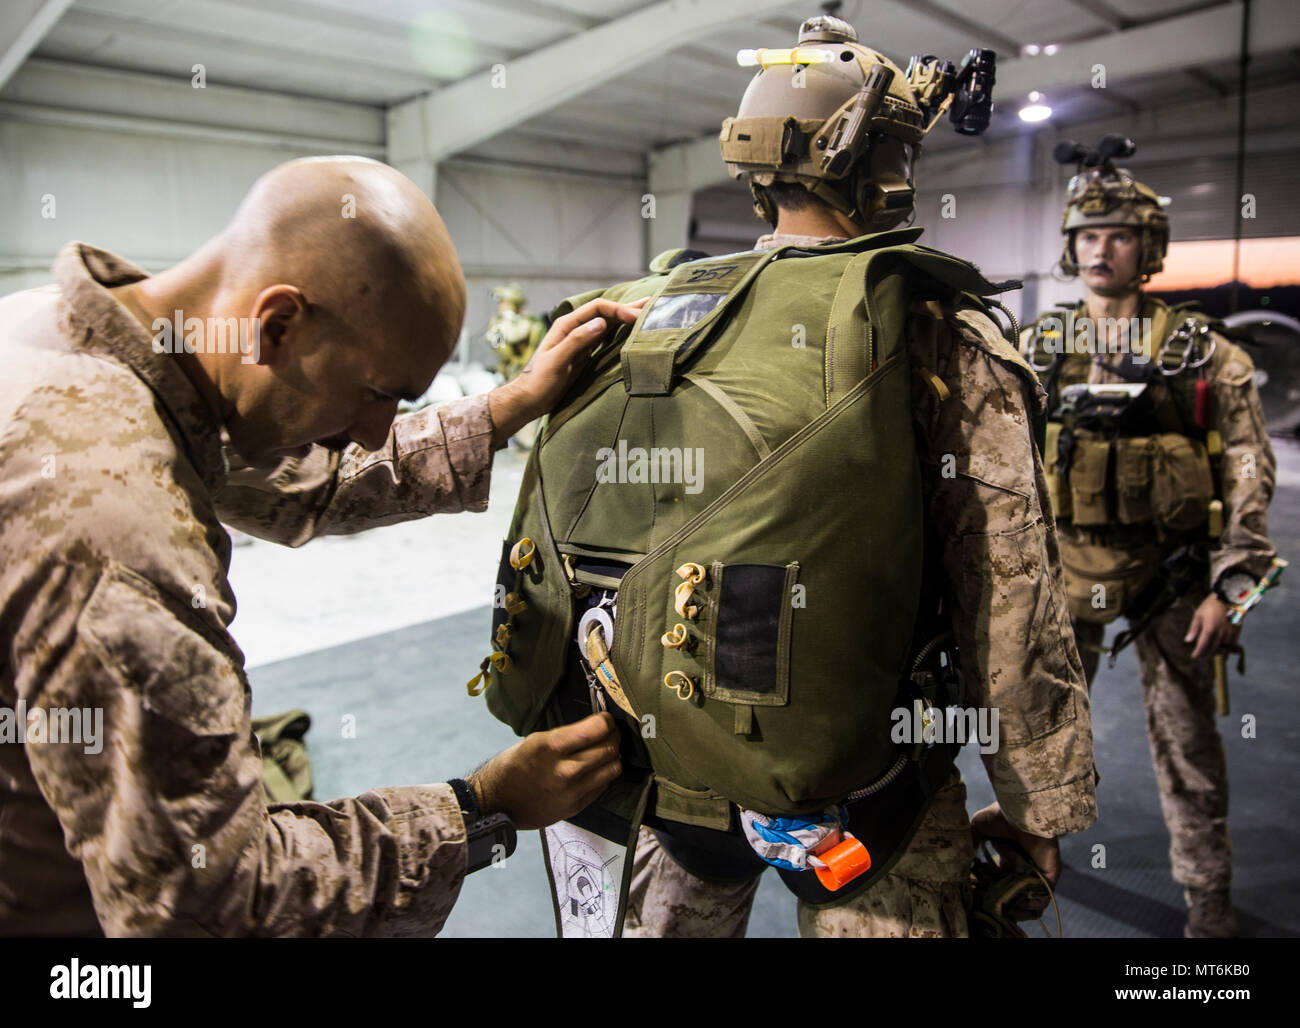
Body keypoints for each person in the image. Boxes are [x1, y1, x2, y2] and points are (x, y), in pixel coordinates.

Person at [483, 15, 1097, 938]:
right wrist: (1038, 806)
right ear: (886, 160)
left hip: (644, 776)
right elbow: (1010, 600)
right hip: (864, 787)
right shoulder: (934, 329)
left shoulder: (633, 313)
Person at [0, 155, 646, 937]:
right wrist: (481, 808)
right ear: (276, 324)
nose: (372, 430)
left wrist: (508, 407)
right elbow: (214, 905)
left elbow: (304, 481)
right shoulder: (118, 533)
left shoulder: (69, 337)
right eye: (379, 395)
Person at [1021, 140, 1279, 937]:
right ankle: (1025, 871)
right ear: (1071, 248)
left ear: (1150, 249)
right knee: (1036, 737)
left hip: (1173, 579)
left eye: (1121, 234)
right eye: (1088, 235)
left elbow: (1248, 470)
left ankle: (1206, 906)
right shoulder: (1036, 353)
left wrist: (1231, 591)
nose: (1102, 249)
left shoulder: (1203, 355)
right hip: (1064, 574)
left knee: (1190, 751)